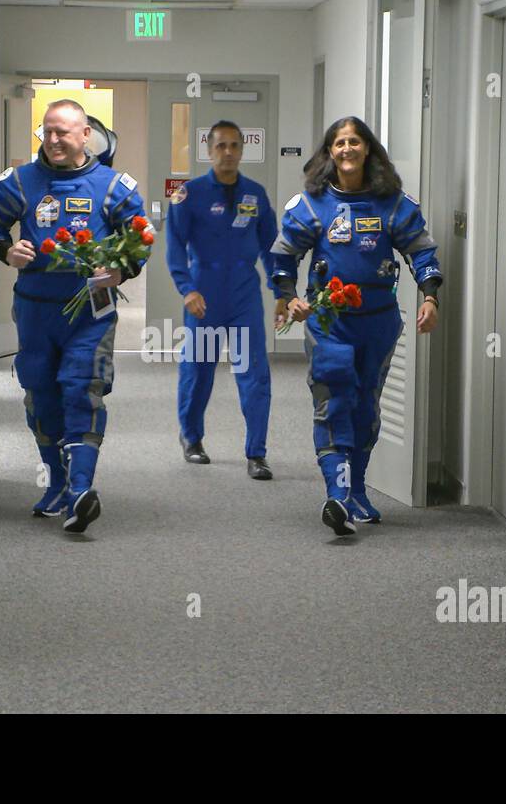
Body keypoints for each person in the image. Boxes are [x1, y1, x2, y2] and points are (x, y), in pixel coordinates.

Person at [0, 99, 151, 533]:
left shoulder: (114, 187)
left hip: (90, 311)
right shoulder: (18, 182)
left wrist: (121, 268)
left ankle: (80, 490)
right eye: (48, 131)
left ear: (85, 135)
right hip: (35, 310)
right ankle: (56, 482)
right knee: (41, 394)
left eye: (64, 132)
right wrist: (6, 250)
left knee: (81, 389)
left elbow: (140, 239)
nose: (53, 140)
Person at [270, 116, 442, 535]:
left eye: (355, 142)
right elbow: (282, 257)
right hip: (330, 323)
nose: (347, 149)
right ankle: (338, 495)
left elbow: (422, 254)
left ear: (368, 150)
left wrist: (431, 296)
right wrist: (289, 296)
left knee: (365, 407)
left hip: (379, 324)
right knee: (334, 404)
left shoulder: (394, 204)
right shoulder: (311, 205)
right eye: (339, 143)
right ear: (329, 152)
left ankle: (357, 488)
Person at [166, 120, 277, 479]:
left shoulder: (256, 194)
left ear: (242, 150)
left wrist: (281, 292)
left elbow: (272, 248)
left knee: (254, 373)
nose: (228, 152)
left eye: (234, 146)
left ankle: (256, 453)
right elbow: (174, 248)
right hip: (205, 294)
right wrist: (187, 289)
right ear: (209, 150)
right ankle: (192, 438)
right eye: (220, 146)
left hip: (244, 294)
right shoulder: (190, 194)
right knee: (198, 371)